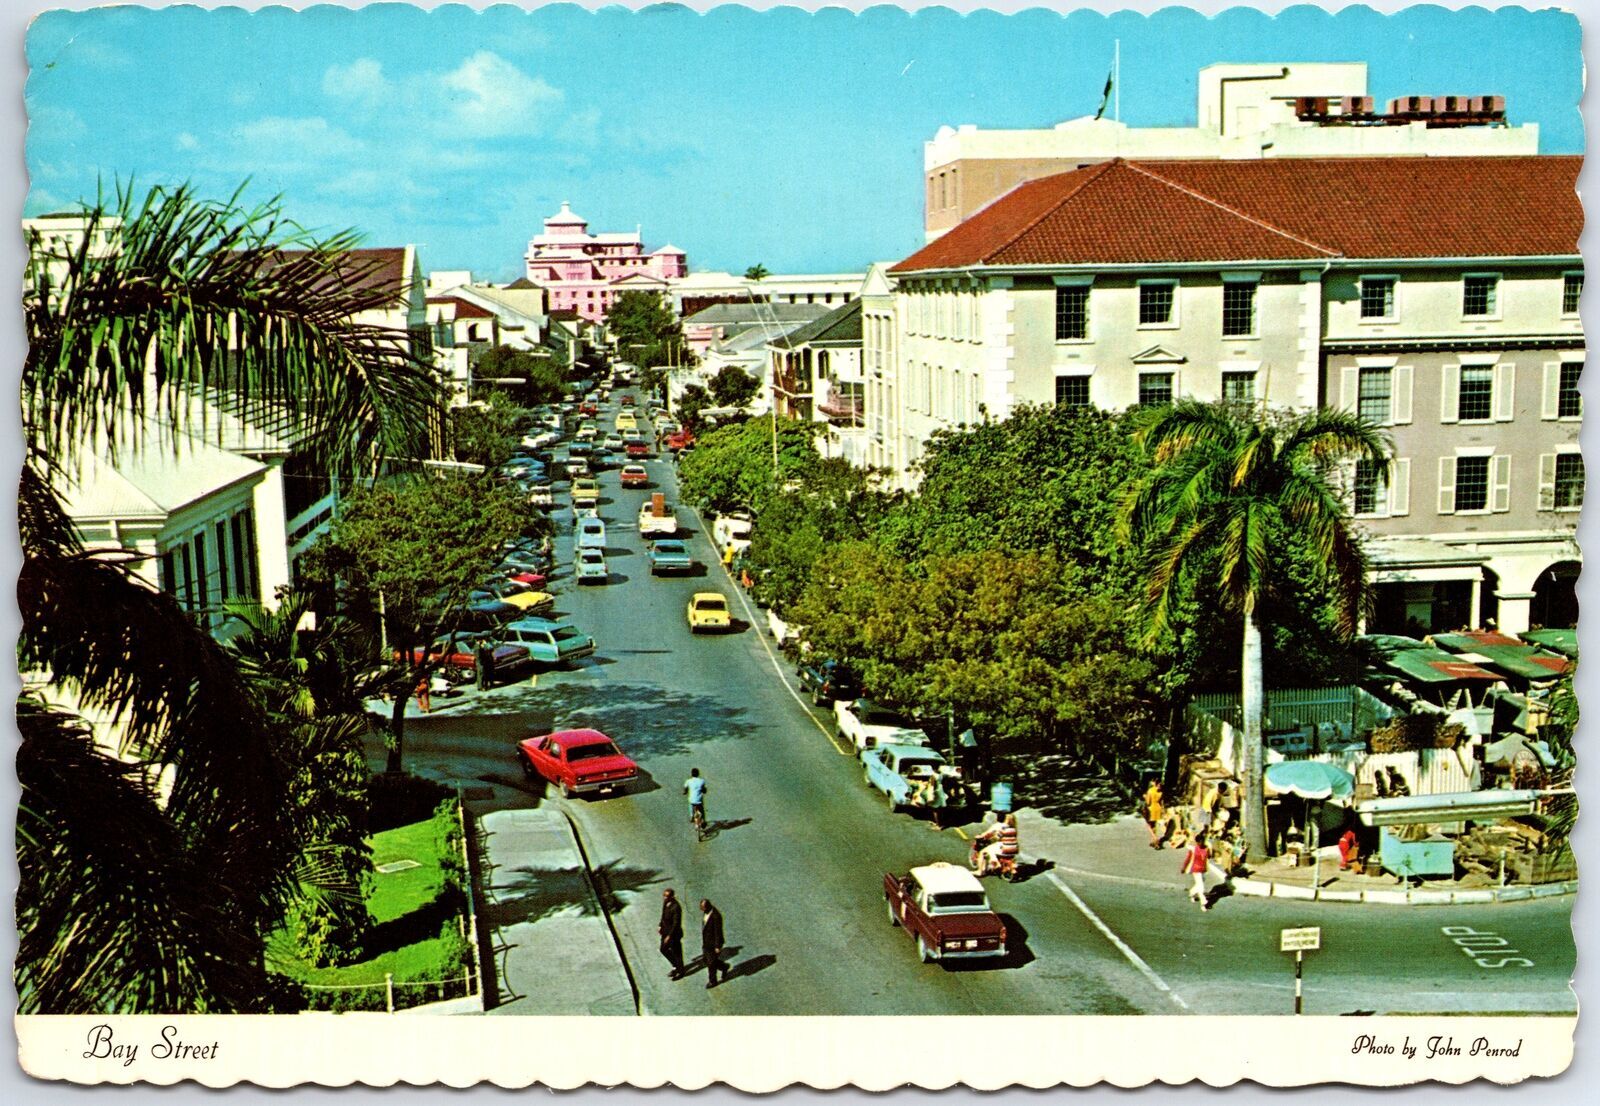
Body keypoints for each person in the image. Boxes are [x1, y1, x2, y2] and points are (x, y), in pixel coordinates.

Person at [658, 889, 686, 979]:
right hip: (665, 932)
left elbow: (676, 924)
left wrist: (669, 936)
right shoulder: (666, 903)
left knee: (677, 952)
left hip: (674, 934)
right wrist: (660, 925)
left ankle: (681, 971)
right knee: (663, 949)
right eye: (664, 895)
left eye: (667, 896)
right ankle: (676, 966)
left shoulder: (676, 907)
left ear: (672, 897)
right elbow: (663, 915)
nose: (664, 897)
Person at [699, 898, 727, 989]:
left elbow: (718, 932)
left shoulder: (715, 916)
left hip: (713, 943)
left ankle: (713, 981)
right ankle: (724, 967)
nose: (701, 909)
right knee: (706, 960)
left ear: (707, 907)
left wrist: (717, 946)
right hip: (706, 942)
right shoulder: (707, 912)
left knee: (711, 963)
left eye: (702, 907)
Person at [1182, 832, 1211, 910]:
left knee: (1200, 883)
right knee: (1201, 886)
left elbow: (1208, 857)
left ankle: (1191, 893)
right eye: (1201, 841)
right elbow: (1186, 845)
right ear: (1198, 842)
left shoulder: (1207, 848)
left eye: (1204, 841)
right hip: (1195, 869)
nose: (1203, 842)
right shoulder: (1194, 848)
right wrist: (1189, 838)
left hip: (1202, 869)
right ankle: (1203, 903)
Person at [1143, 779, 1166, 848]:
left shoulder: (1150, 791)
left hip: (1151, 809)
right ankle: (1153, 841)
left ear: (1155, 783)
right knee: (1154, 825)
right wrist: (1163, 810)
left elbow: (1148, 802)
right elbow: (1162, 802)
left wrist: (1144, 796)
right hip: (1158, 809)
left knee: (1148, 825)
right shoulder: (1161, 792)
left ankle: (1155, 839)